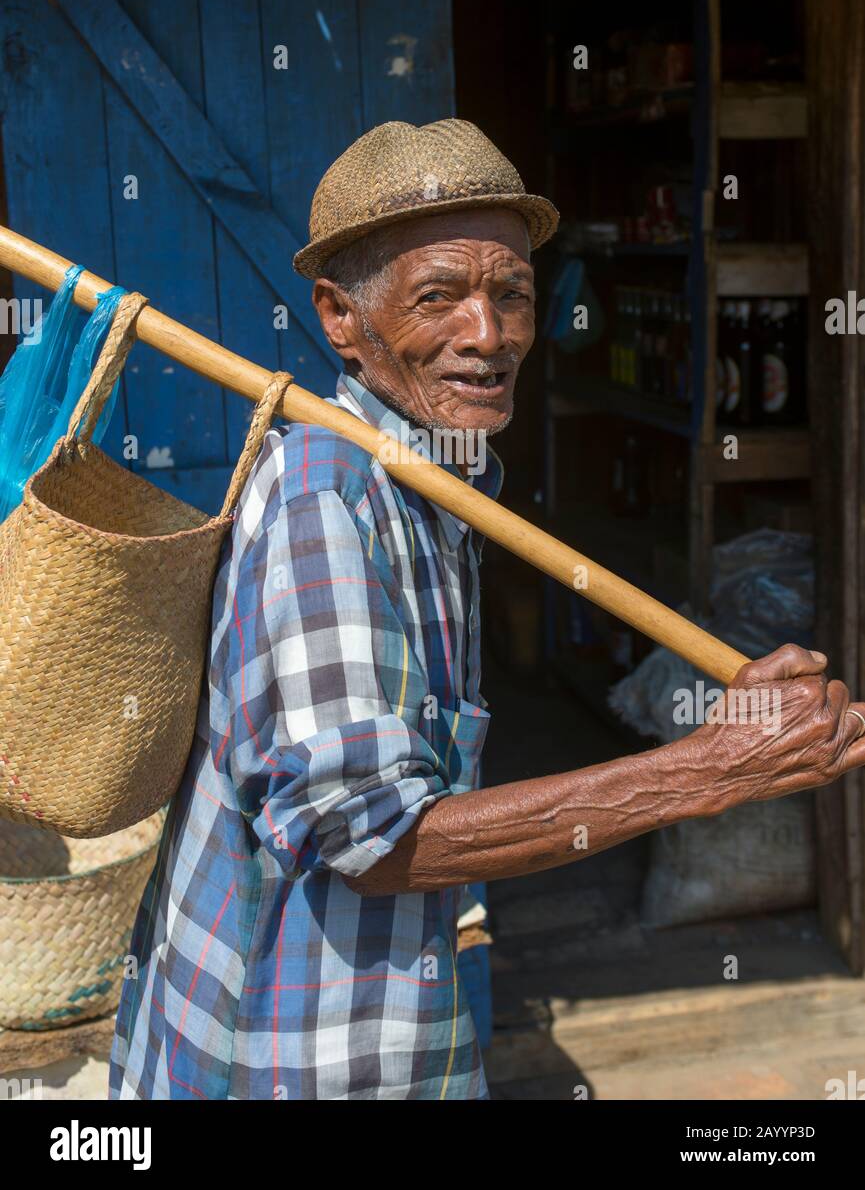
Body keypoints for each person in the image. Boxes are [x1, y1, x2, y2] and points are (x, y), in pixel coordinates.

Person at [109, 118, 865, 1101]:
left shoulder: (441, 486)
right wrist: (705, 771)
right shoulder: (326, 498)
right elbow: (373, 837)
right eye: (440, 297)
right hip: (291, 1060)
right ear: (340, 318)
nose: (490, 334)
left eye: (510, 294)